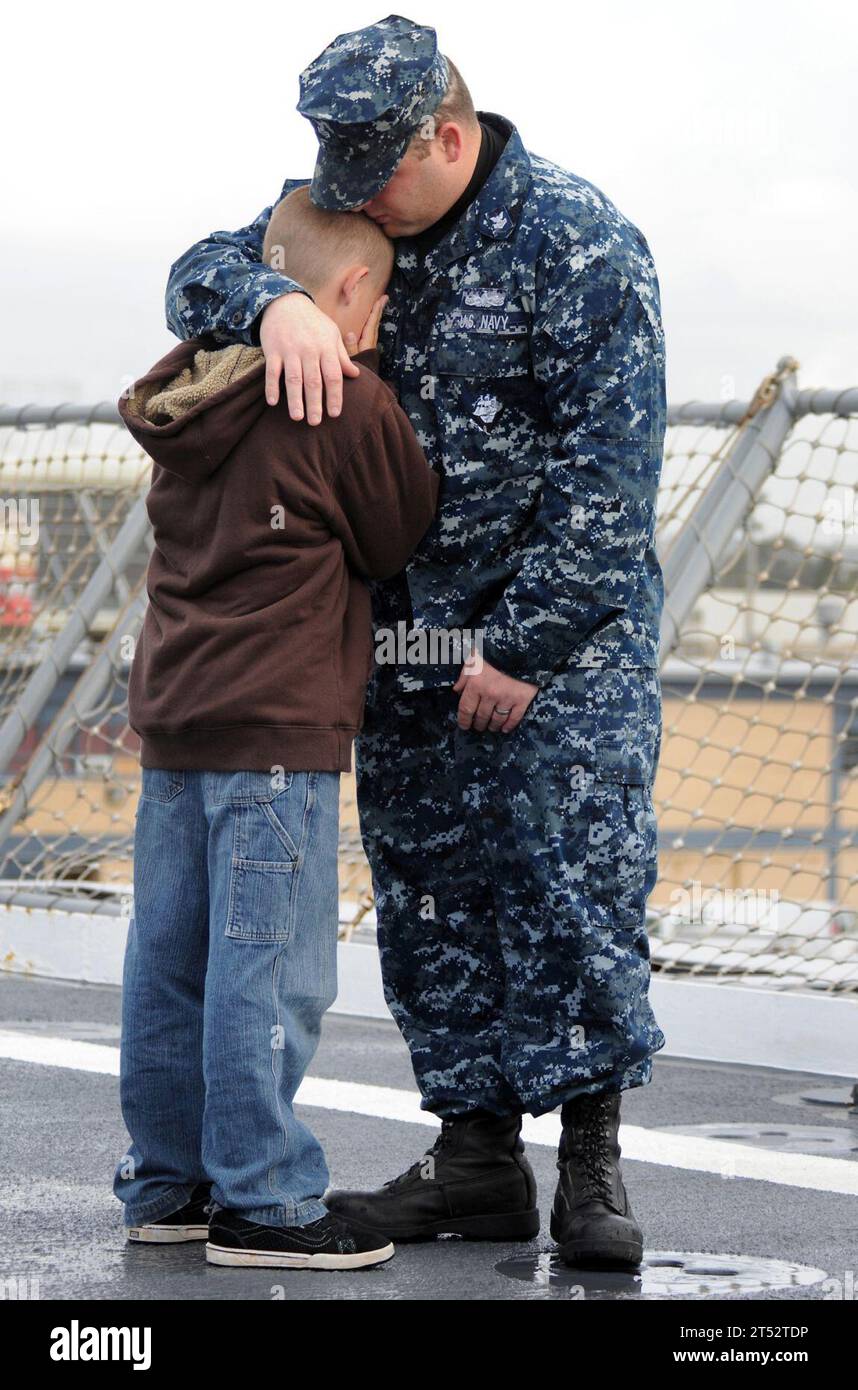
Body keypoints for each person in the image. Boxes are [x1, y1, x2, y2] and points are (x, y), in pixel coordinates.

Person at [164, 13, 667, 1270]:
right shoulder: (345, 218)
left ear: (447, 135)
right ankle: (476, 1158)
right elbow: (193, 272)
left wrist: (527, 644)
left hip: (558, 645)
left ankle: (592, 1161)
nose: (355, 203)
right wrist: (275, 299)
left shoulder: (581, 240)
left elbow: (611, 477)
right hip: (403, 644)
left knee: (570, 885)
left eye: (373, 171)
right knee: (431, 898)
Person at [113, 184, 439, 1270]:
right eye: (378, 303)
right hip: (278, 731)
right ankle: (266, 1197)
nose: (379, 326)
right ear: (348, 290)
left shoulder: (189, 387)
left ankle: (170, 1184)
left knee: (172, 960)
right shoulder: (344, 397)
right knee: (271, 970)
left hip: (177, 715)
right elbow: (397, 532)